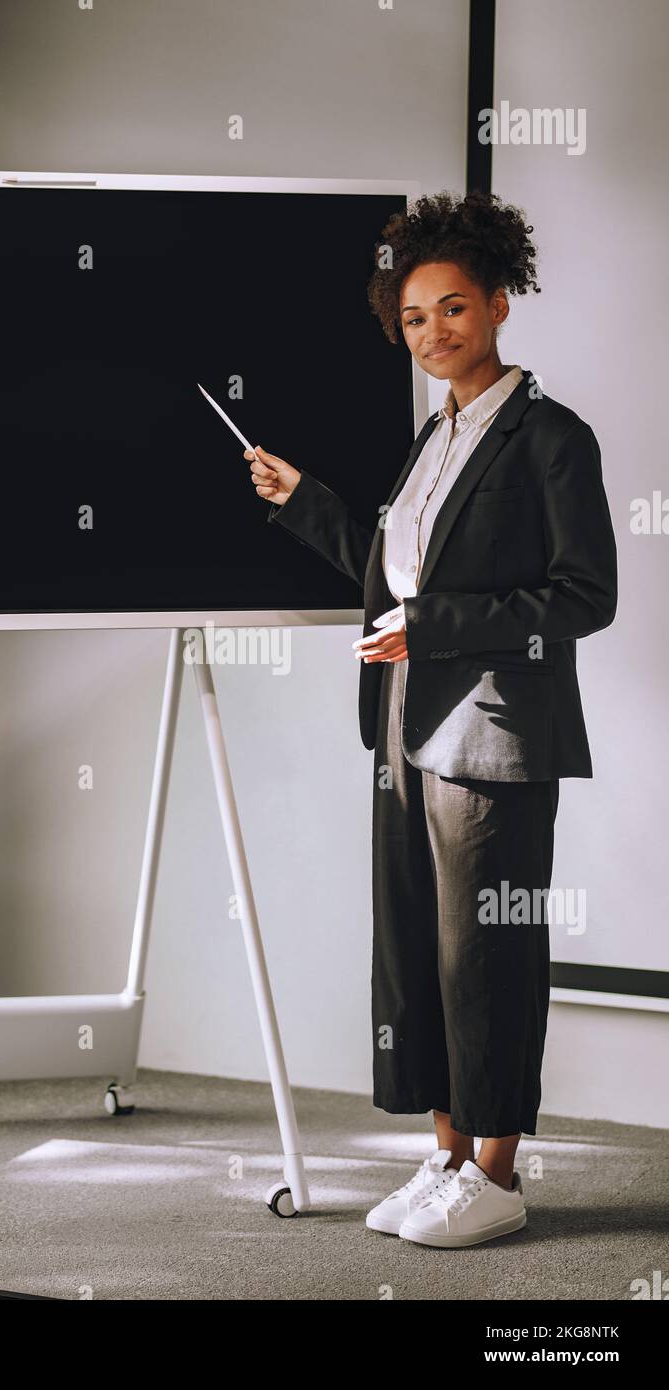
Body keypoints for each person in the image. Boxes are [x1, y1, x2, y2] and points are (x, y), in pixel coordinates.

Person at [243, 190, 617, 1249]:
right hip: (406, 722)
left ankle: (497, 1170)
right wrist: (303, 498)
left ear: (498, 305)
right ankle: (448, 1152)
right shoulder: (430, 442)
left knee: (484, 956)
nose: (434, 333)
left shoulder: (551, 438)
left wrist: (440, 626)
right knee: (415, 947)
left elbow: (583, 596)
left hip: (495, 732)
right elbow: (391, 571)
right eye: (414, 319)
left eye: (453, 309)